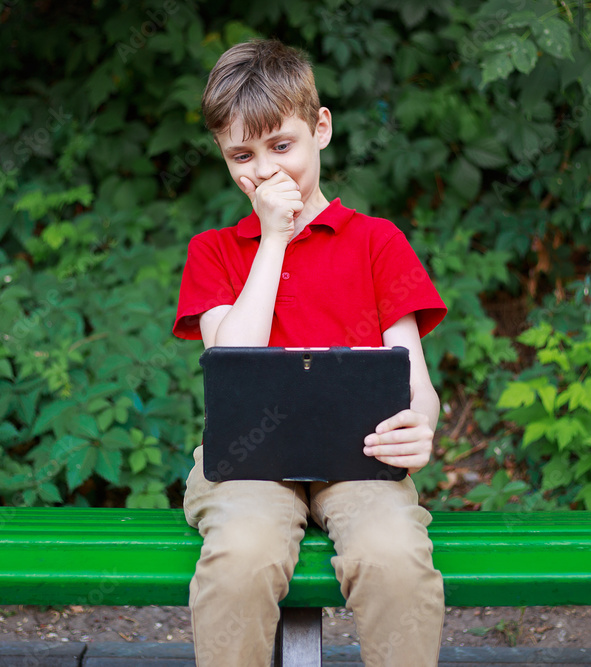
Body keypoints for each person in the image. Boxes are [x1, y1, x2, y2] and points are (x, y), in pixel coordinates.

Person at [172, 38, 447, 667]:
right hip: (246, 464)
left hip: (359, 461)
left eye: (281, 146)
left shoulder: (377, 243)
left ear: (320, 129)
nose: (265, 171)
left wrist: (421, 426)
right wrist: (273, 238)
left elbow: (413, 379)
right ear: (222, 155)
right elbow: (232, 359)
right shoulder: (214, 251)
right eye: (242, 155)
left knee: (395, 557)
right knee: (241, 553)